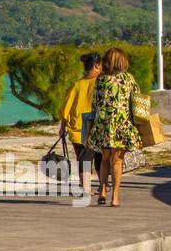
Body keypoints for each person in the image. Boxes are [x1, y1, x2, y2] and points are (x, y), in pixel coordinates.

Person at [88, 47, 142, 207]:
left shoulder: (100, 79)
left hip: (103, 124)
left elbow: (94, 104)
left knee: (104, 159)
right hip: (122, 124)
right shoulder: (128, 79)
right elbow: (137, 103)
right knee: (117, 161)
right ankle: (115, 197)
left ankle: (103, 190)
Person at [60, 52, 103, 199]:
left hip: (77, 127)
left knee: (83, 158)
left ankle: (86, 187)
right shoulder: (101, 83)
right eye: (101, 65)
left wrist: (62, 127)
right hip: (97, 127)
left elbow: (66, 108)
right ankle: (100, 186)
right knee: (98, 158)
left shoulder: (77, 85)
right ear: (97, 66)